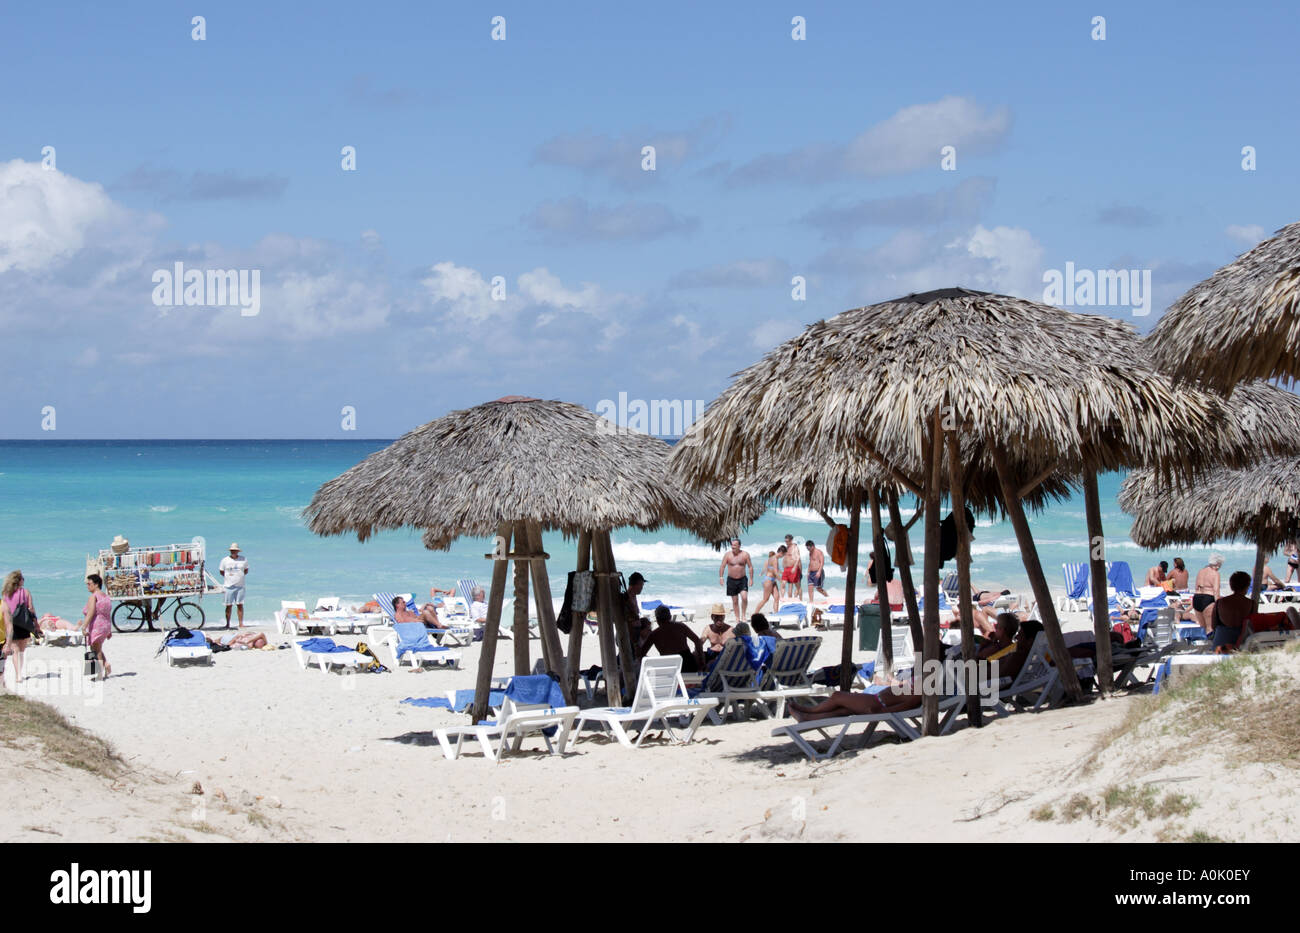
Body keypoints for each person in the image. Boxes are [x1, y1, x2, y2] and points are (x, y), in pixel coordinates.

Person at [639, 604, 706, 672]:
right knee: (695, 655)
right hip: (687, 662)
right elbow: (697, 641)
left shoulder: (654, 634)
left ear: (657, 619)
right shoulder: (681, 626)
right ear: (670, 617)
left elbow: (641, 653)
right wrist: (701, 660)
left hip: (668, 665)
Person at [2, 571, 37, 684]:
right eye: (23, 578)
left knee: (15, 651)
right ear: (19, 580)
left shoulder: (6, 594)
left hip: (12, 624)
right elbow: (31, 609)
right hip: (24, 623)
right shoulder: (25, 593)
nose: (24, 580)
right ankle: (19, 673)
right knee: (21, 651)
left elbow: (4, 611)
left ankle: (18, 675)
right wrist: (36, 624)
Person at [78, 573, 113, 680]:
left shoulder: (94, 596)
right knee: (97, 647)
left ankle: (99, 673)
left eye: (89, 584)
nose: (88, 586)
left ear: (96, 584)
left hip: (97, 625)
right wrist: (109, 630)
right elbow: (108, 613)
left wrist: (84, 627)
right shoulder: (106, 597)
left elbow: (91, 612)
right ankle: (106, 664)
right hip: (105, 625)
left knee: (95, 649)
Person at [1209, 571, 1254, 649]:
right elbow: (1253, 625)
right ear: (1247, 586)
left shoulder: (1220, 602)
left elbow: (1213, 625)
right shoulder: (1251, 603)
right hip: (1242, 642)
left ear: (1231, 585)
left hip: (1221, 641)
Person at [719, 539, 753, 622]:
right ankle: (737, 617)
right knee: (735, 600)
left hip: (742, 580)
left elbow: (750, 567)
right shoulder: (728, 555)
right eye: (732, 545)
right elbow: (722, 566)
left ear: (739, 546)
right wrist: (721, 577)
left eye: (734, 545)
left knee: (744, 597)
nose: (732, 547)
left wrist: (751, 578)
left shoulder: (745, 555)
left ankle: (743, 615)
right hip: (731, 580)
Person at [219, 543, 250, 628]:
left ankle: (241, 623)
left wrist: (239, 577)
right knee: (228, 605)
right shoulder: (225, 560)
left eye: (235, 550)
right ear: (230, 551)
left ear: (237, 551)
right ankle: (227, 624)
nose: (233, 552)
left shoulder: (243, 559)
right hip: (228, 586)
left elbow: (246, 570)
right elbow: (221, 571)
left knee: (240, 604)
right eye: (232, 551)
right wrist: (229, 577)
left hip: (240, 586)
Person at [1191, 554, 1224, 632]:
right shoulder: (1215, 574)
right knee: (1210, 628)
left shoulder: (1201, 571)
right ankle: (1210, 644)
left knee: (1202, 627)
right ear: (1218, 564)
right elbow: (1216, 591)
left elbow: (1196, 587)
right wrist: (1218, 605)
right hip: (1208, 599)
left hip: (1197, 598)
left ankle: (1204, 643)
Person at [752, 549, 783, 614]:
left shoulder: (774, 560)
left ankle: (776, 614)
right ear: (781, 553)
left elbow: (776, 570)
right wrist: (781, 581)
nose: (783, 556)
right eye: (783, 554)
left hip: (773, 581)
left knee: (776, 598)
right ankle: (755, 614)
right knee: (765, 599)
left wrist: (783, 573)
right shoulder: (773, 559)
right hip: (768, 580)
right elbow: (773, 571)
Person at [781, 535, 803, 600]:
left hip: (793, 568)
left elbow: (798, 558)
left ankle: (801, 600)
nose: (786, 543)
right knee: (786, 585)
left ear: (791, 540)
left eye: (787, 541)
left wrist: (795, 567)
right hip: (787, 569)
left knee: (797, 586)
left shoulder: (794, 547)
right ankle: (788, 600)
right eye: (785, 541)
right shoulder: (787, 547)